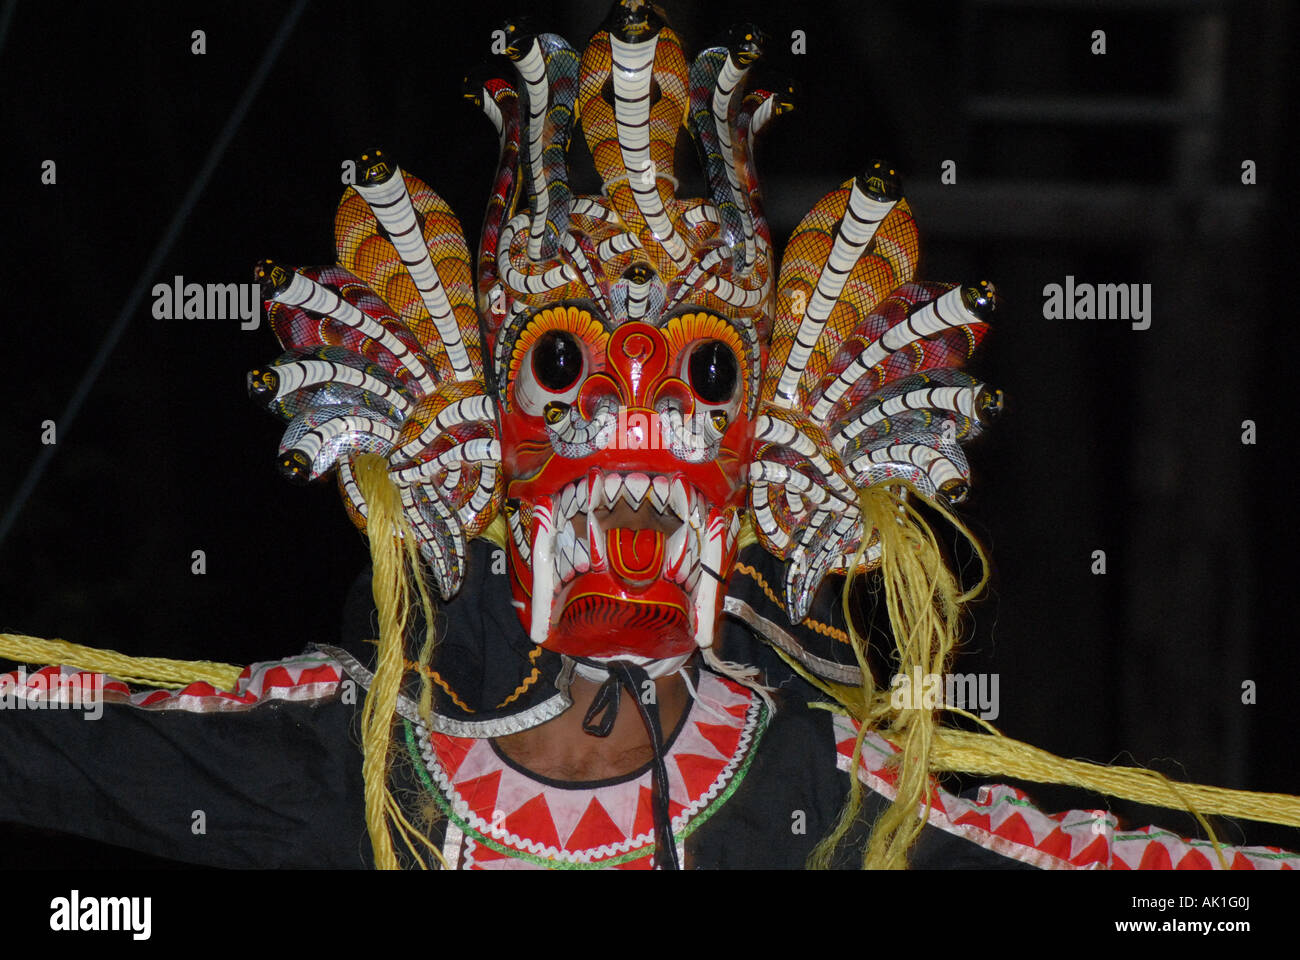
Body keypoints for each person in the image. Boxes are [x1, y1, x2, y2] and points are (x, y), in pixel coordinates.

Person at [2, 0, 1297, 871]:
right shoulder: (370, 757)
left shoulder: (813, 788)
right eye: (562, 364)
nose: (635, 396)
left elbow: (1143, 872)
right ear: (473, 416)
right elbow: (70, 734)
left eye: (705, 376)